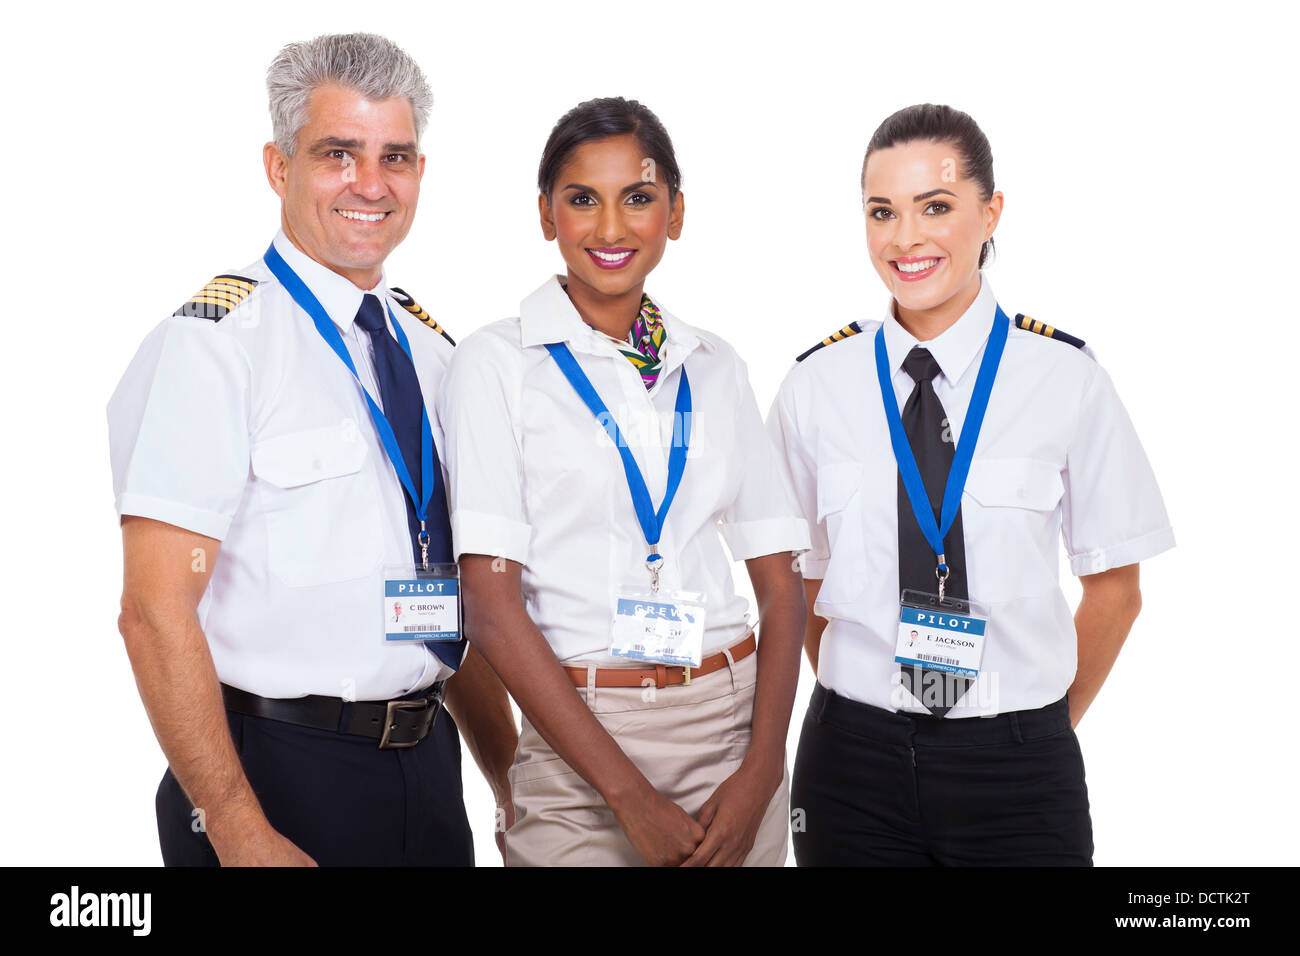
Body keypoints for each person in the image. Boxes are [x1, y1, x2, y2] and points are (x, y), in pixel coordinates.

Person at [107, 32, 517, 867]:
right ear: (278, 166)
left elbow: (450, 586)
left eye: (394, 156)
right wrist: (235, 825)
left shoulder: (436, 354)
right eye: (339, 153)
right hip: (273, 772)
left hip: (427, 764)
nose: (372, 184)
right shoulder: (216, 348)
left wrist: (509, 782)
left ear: (420, 175)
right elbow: (153, 613)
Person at [768, 103, 1174, 866]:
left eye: (937, 207)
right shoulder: (815, 385)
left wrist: (1032, 723)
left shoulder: (1064, 378)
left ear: (991, 212)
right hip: (849, 766)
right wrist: (871, 715)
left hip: (1018, 766)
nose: (906, 238)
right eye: (882, 212)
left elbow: (1117, 588)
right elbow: (799, 587)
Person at [437, 97, 810, 866]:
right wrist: (630, 798)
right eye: (582, 200)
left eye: (638, 198)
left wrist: (763, 769)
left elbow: (782, 583)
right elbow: (490, 604)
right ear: (546, 215)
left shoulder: (715, 367)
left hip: (731, 724)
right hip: (581, 738)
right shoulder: (496, 366)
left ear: (675, 213)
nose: (611, 229)